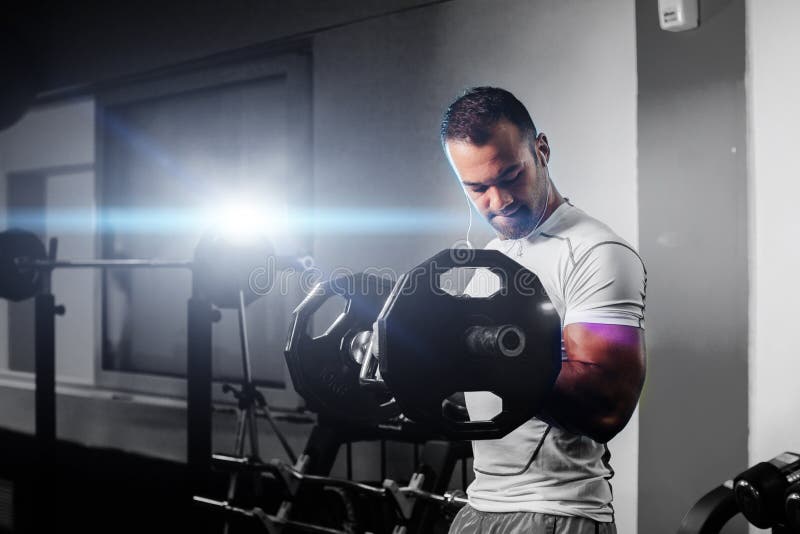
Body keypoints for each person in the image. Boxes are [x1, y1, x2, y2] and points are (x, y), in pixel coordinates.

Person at [441, 87, 647, 534]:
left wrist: (472, 356)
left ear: (542, 150)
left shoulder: (595, 252)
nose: (499, 202)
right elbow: (477, 401)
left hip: (555, 513)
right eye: (477, 188)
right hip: (480, 504)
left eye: (511, 176)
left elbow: (604, 406)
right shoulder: (497, 256)